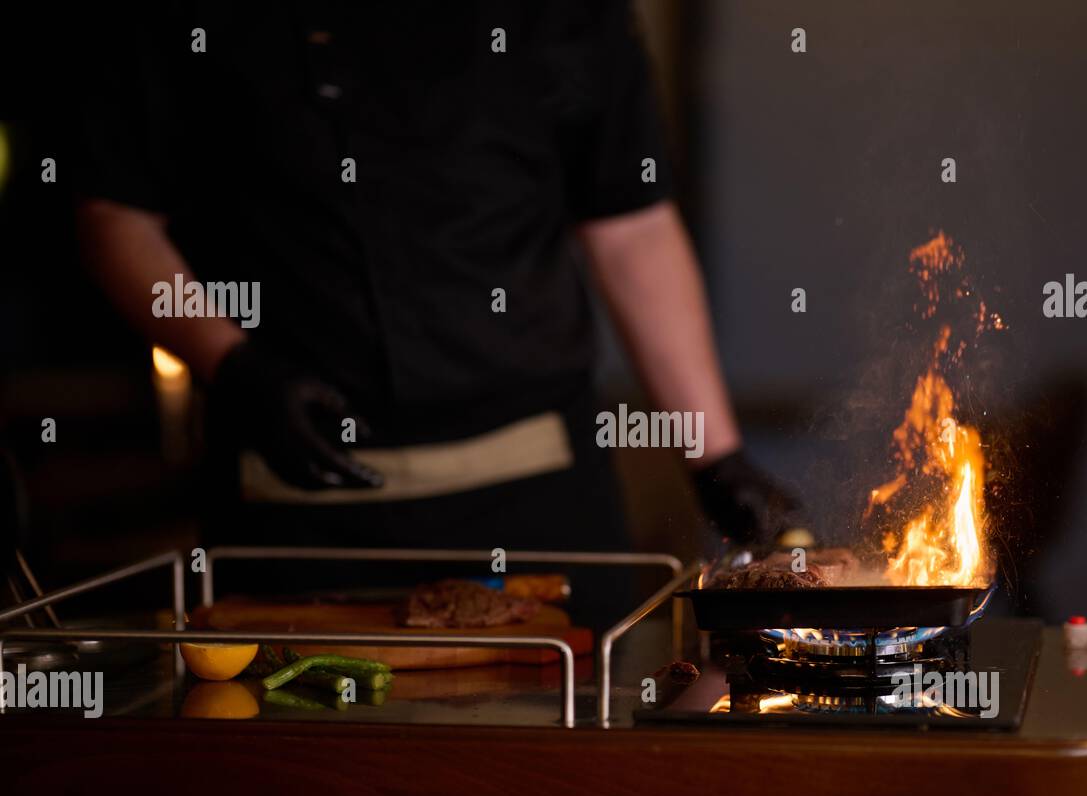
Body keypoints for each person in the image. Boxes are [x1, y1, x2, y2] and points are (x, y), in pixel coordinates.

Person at [75, 2, 796, 559]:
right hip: (287, 509)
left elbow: (629, 226)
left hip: (541, 501)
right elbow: (116, 217)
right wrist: (230, 366)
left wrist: (715, 455)